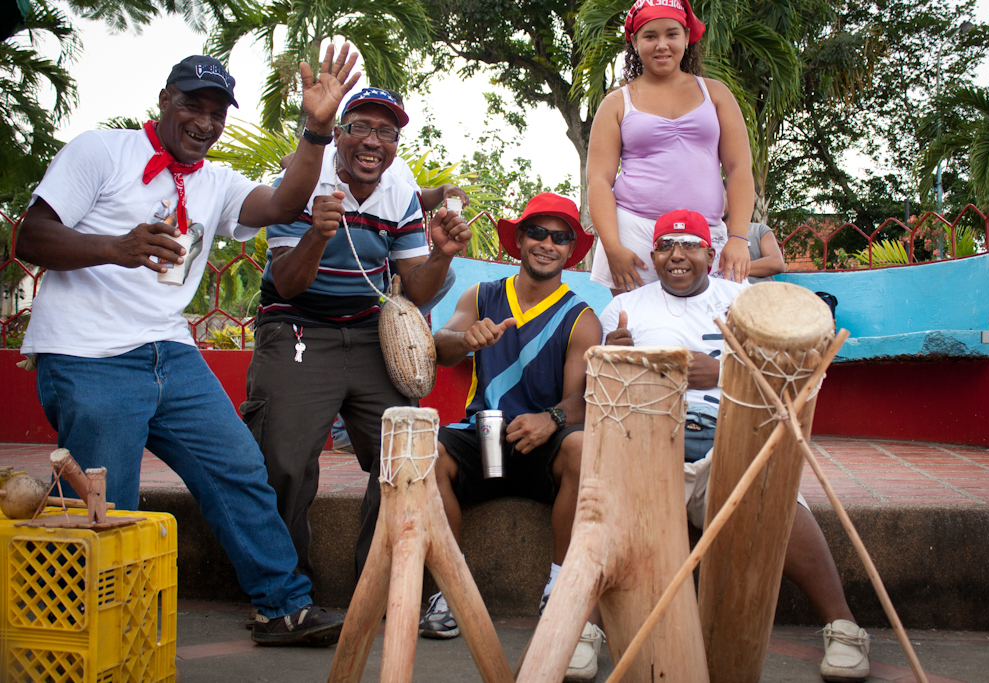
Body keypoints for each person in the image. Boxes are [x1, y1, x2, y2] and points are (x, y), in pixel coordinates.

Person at [16, 50, 361, 646]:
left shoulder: (216, 182)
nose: (205, 122)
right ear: (164, 102)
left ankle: (283, 607)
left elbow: (282, 205)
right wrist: (117, 248)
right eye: (193, 106)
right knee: (107, 506)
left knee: (239, 468)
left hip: (169, 354)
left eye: (217, 113)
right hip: (87, 356)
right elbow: (32, 236)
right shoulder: (101, 151)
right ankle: (102, 639)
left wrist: (317, 130)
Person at [600, 209, 871, 683]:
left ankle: (844, 627)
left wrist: (724, 373)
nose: (676, 256)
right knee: (604, 511)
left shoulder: (748, 302)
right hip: (650, 438)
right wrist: (614, 358)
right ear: (652, 255)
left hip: (730, 432)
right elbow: (604, 392)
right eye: (666, 246)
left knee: (778, 498)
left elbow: (794, 381)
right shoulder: (626, 307)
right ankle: (586, 632)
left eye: (688, 246)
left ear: (711, 253)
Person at [243, 87, 472, 593]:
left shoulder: (401, 186)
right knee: (282, 459)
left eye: (386, 132)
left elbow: (412, 289)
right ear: (339, 134)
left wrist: (443, 256)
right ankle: (283, 594)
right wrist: (317, 235)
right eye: (361, 128)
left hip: (370, 331)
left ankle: (382, 587)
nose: (373, 141)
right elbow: (287, 283)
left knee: (405, 455)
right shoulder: (302, 180)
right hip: (298, 325)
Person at [423, 193, 606, 680]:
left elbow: (581, 398)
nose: (547, 244)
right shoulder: (480, 296)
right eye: (537, 233)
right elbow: (440, 347)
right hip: (482, 436)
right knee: (425, 455)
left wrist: (553, 418)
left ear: (573, 250)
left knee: (585, 447)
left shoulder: (582, 318)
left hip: (540, 443)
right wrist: (467, 340)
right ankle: (451, 587)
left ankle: (560, 588)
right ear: (519, 240)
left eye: (560, 237)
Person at [587, 0, 754, 293]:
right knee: (639, 332)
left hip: (707, 235)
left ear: (687, 38)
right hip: (634, 234)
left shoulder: (715, 93)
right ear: (635, 42)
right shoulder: (616, 103)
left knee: (724, 329)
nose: (661, 44)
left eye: (671, 34)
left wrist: (738, 237)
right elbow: (599, 180)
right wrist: (613, 247)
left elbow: (739, 168)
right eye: (650, 36)